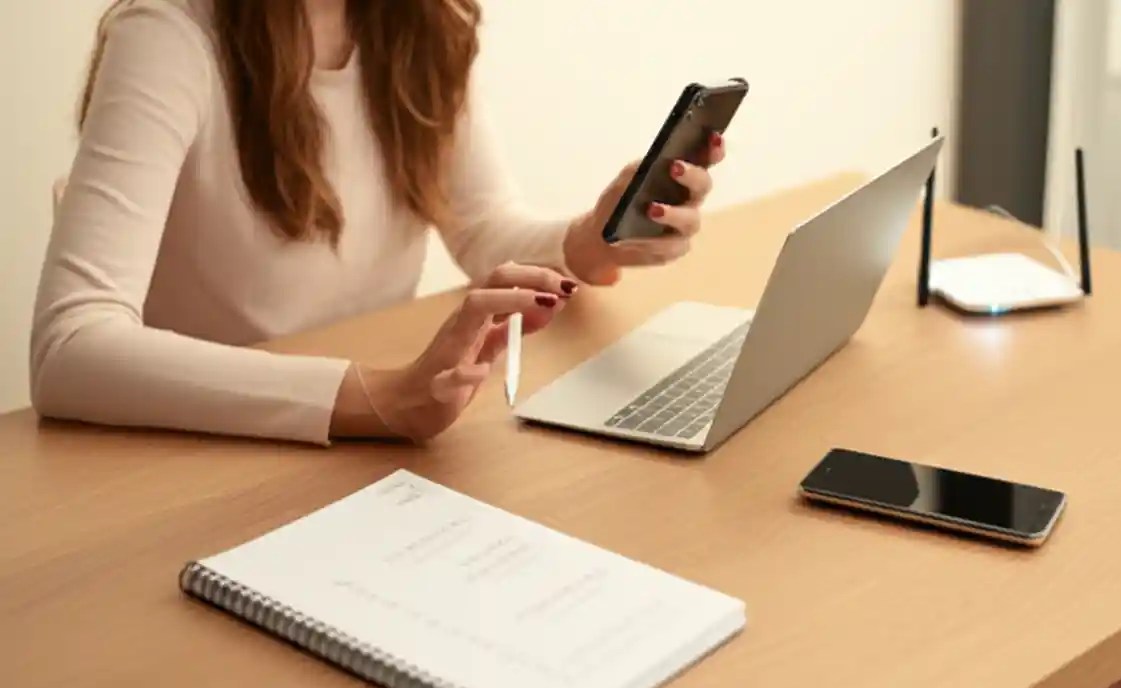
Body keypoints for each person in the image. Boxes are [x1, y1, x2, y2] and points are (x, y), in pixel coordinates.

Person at [29, 0, 724, 446]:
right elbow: (71, 348)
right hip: (204, 449)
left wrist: (591, 239)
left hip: (365, 455)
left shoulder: (422, 23)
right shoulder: (168, 38)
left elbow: (483, 229)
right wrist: (379, 397)